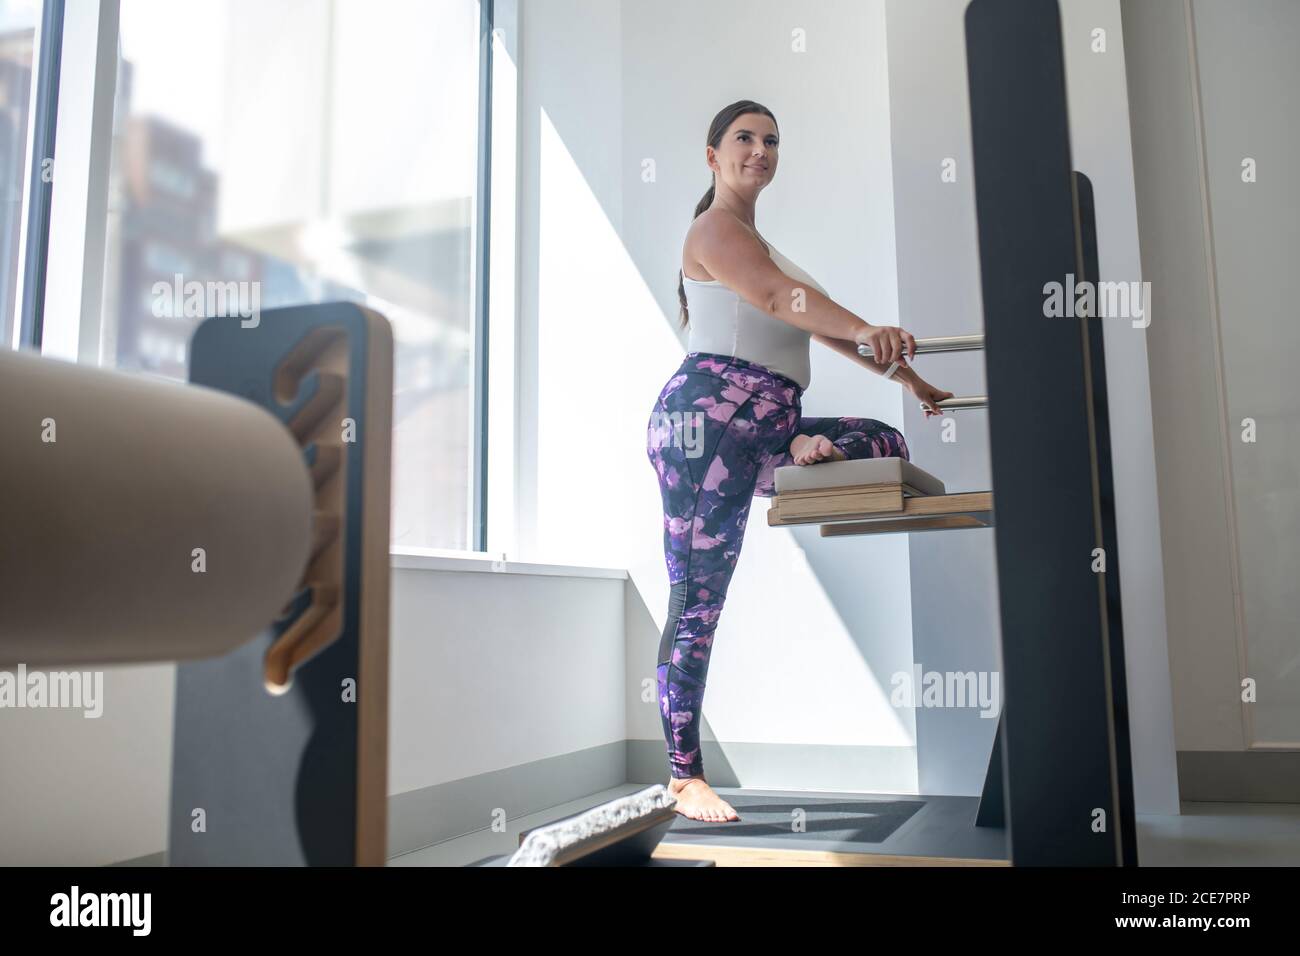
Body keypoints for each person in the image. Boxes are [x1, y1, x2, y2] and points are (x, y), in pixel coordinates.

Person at [645, 99, 954, 822]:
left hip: (766, 419)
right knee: (697, 599)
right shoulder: (713, 230)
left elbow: (825, 321)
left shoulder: (765, 245)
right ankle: (684, 776)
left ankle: (801, 449)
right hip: (708, 424)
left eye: (771, 141)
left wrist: (908, 377)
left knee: (884, 439)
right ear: (712, 155)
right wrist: (868, 328)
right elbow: (778, 300)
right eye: (745, 138)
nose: (760, 150)